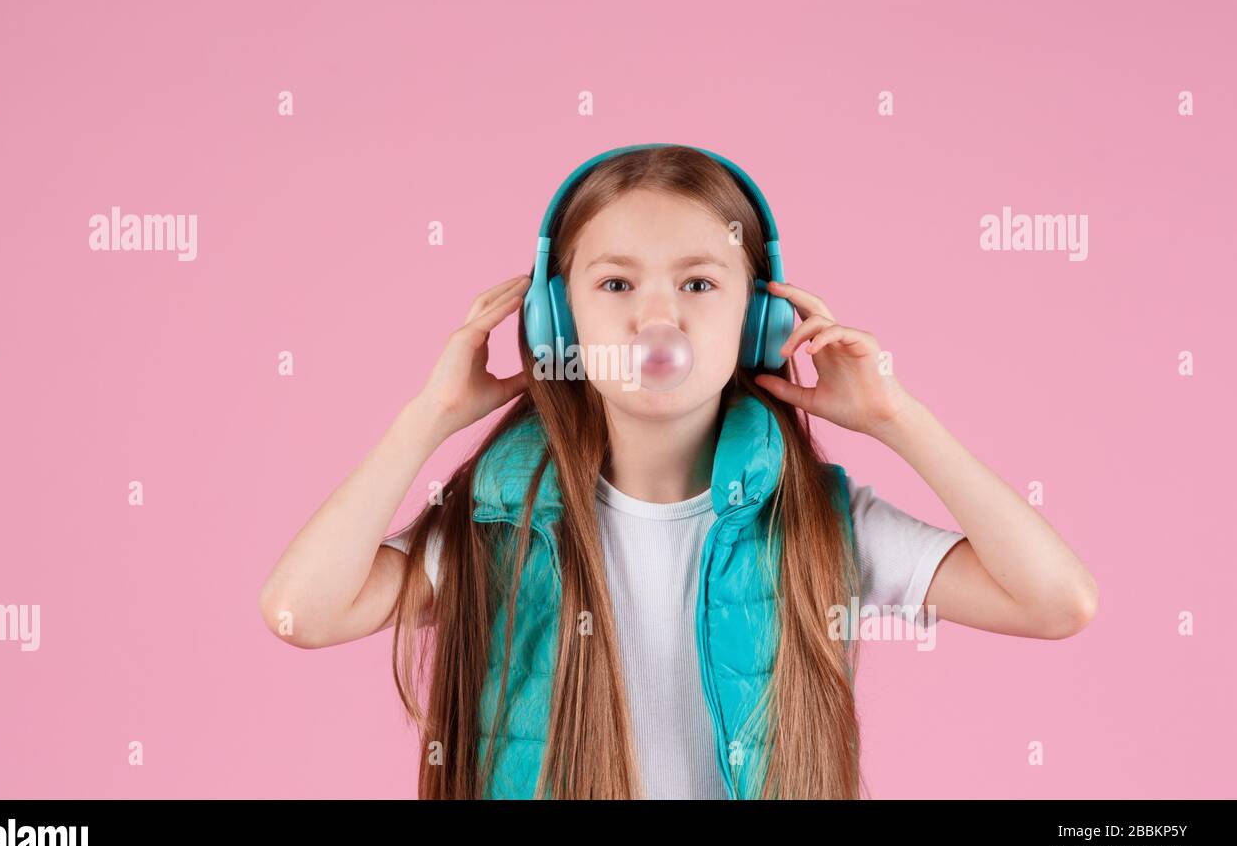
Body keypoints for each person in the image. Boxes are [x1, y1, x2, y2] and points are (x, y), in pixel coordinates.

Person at [258, 145, 1097, 799]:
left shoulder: (818, 522)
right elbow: (302, 610)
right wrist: (429, 417)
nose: (656, 315)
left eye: (699, 281)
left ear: (759, 320)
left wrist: (897, 419)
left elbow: (1056, 601)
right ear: (556, 323)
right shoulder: (499, 524)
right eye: (615, 281)